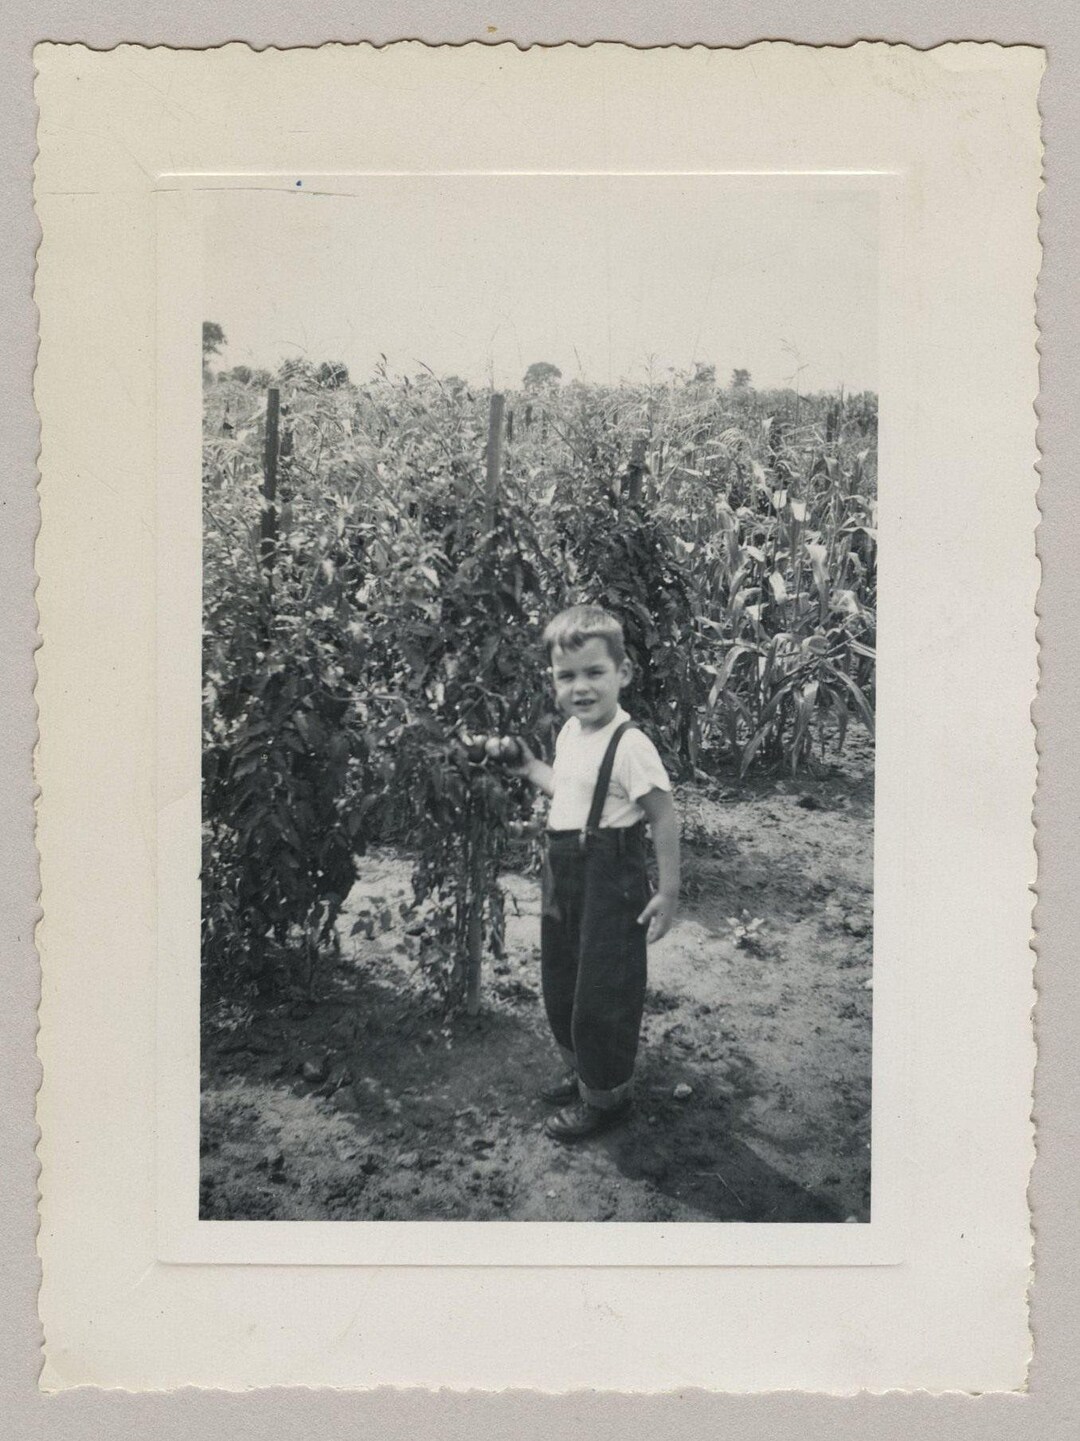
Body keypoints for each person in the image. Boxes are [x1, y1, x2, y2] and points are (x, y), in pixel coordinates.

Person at [509, 604, 680, 1141]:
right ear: (554, 681)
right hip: (565, 875)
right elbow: (570, 789)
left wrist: (669, 889)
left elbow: (663, 816)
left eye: (594, 673)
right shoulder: (569, 734)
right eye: (567, 676)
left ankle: (607, 1099)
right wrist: (528, 767)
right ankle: (584, 1073)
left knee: (603, 991)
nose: (580, 688)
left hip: (611, 881)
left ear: (622, 674)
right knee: (562, 980)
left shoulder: (631, 746)